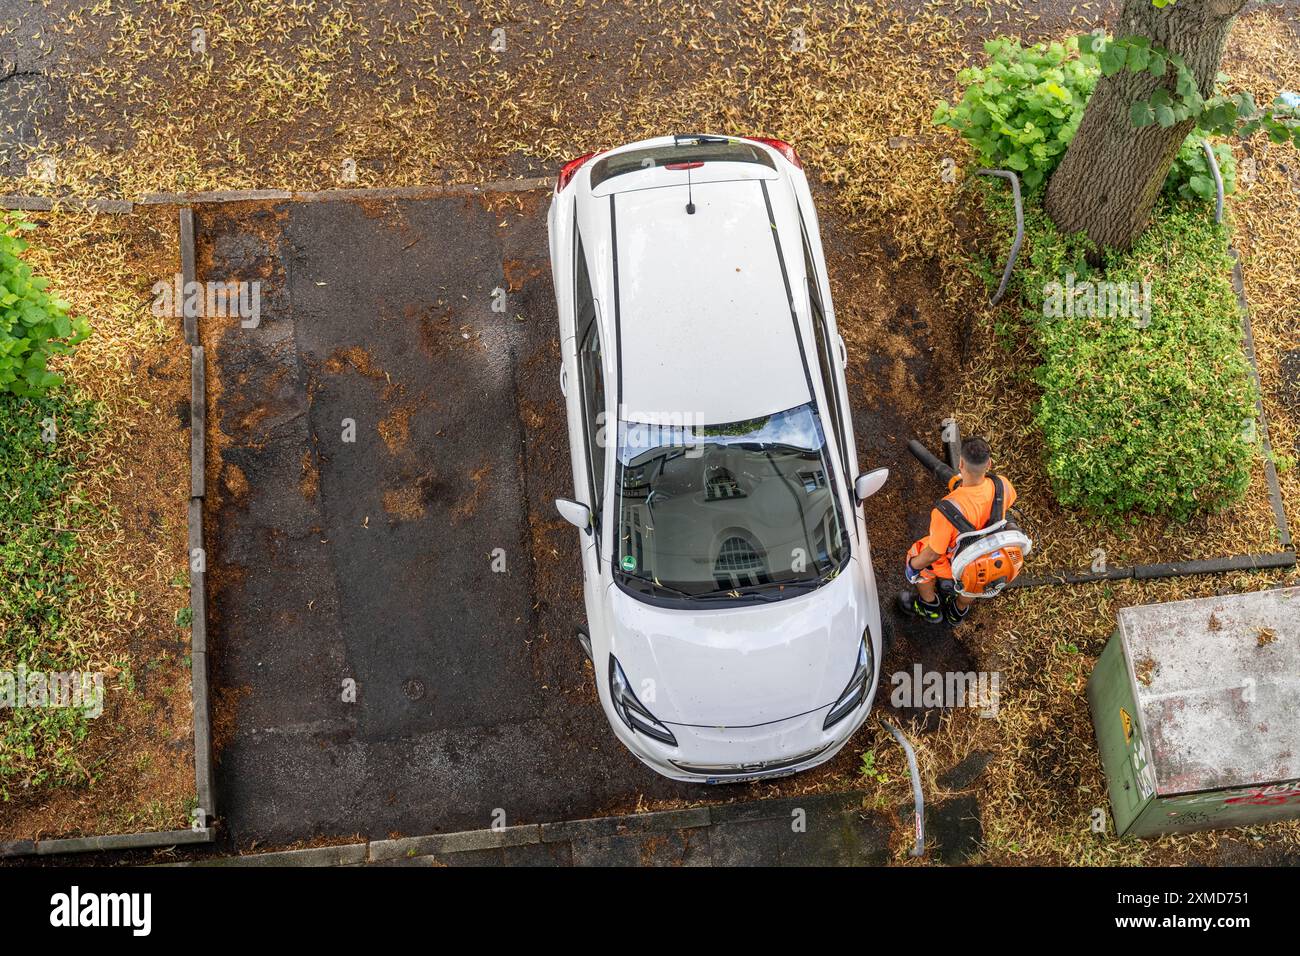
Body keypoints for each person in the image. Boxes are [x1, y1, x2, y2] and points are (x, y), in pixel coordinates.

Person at [898, 437, 1016, 626]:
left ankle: (930, 608)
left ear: (960, 464)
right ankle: (956, 613)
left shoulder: (946, 511)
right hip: (988, 561)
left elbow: (933, 554)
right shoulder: (1004, 485)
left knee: (919, 554)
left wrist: (912, 568)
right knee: (974, 583)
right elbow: (999, 504)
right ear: (989, 464)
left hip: (957, 565)